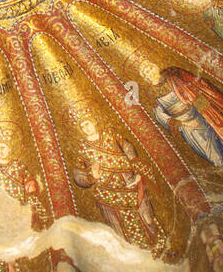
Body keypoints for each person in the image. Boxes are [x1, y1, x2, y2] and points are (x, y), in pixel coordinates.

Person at [67, 101, 167, 256]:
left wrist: (133, 164)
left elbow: (127, 147)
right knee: (119, 228)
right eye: (82, 126)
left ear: (94, 122)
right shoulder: (83, 149)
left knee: (146, 218)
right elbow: (78, 175)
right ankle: (132, 255)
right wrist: (91, 177)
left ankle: (157, 247)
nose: (86, 127)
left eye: (88, 123)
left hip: (130, 185)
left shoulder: (110, 135)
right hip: (108, 196)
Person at [135, 55, 223, 171]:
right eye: (146, 72)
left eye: (150, 68)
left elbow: (194, 84)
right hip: (185, 124)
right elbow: (159, 114)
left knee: (218, 123)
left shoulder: (172, 73)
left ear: (155, 66)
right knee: (210, 151)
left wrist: (203, 104)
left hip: (197, 107)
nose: (150, 72)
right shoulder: (151, 93)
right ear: (145, 77)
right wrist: (180, 124)